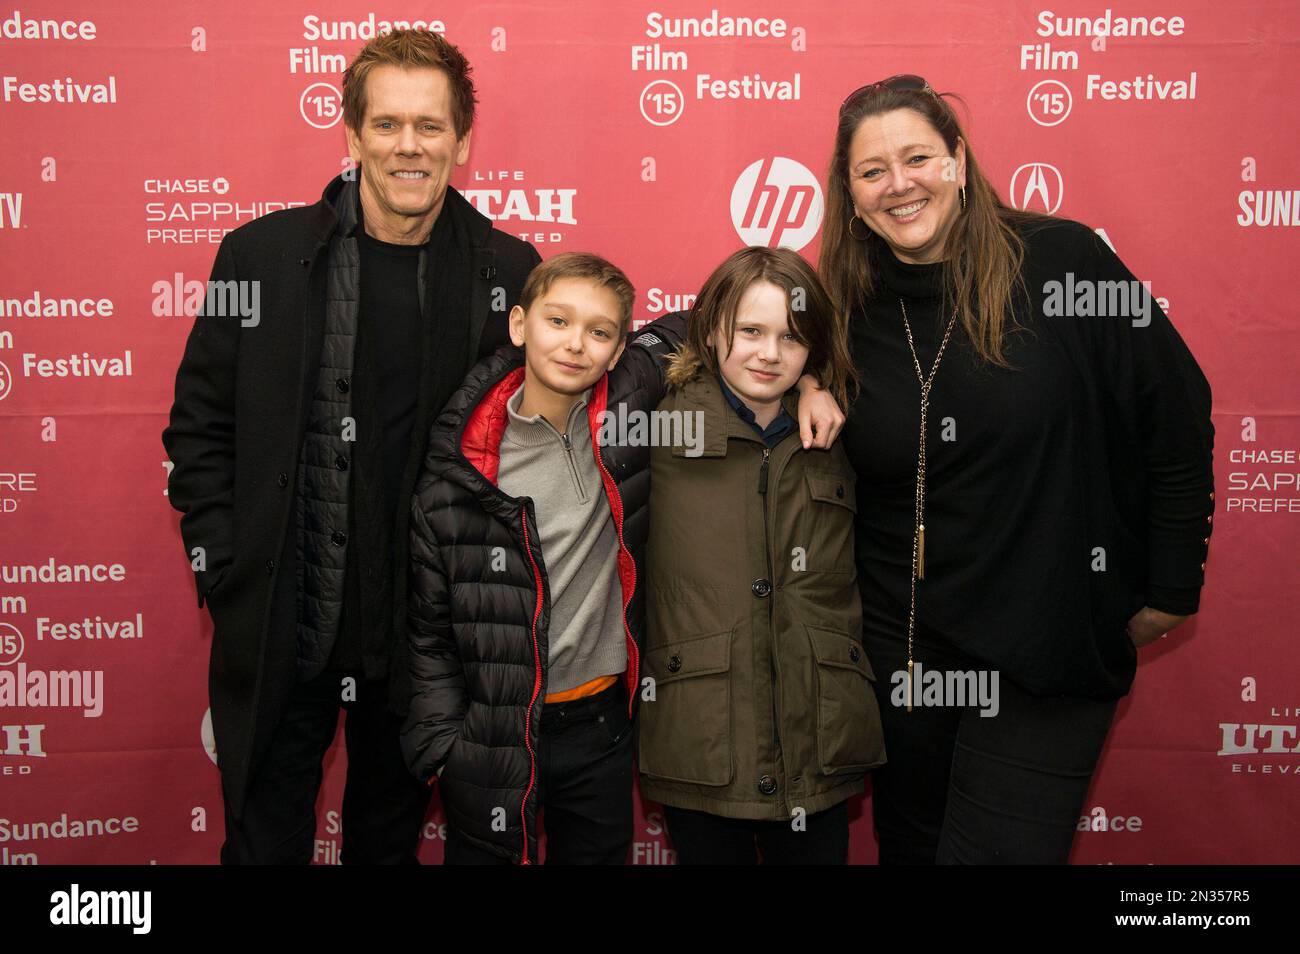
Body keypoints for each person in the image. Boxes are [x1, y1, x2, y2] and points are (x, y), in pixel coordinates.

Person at [162, 29, 541, 864]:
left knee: (388, 845)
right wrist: (224, 566)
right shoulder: (260, 258)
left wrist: (796, 378)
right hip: (282, 621)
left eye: (431, 126)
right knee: (263, 846)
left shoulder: (509, 274)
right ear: (352, 134)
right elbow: (199, 427)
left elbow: (583, 391)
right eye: (388, 124)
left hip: (422, 633)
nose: (409, 145)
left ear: (463, 140)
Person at [818, 75, 1214, 864]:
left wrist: (1171, 587)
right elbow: (725, 339)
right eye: (872, 170)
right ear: (852, 195)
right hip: (904, 658)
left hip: (1046, 643)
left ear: (959, 161)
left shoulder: (1064, 260)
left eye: (918, 157)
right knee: (914, 852)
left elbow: (1174, 414)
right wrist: (799, 376)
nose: (900, 183)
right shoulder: (842, 302)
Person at [401, 252, 843, 864]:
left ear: (618, 350)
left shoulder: (631, 408)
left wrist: (811, 378)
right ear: (519, 324)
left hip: (603, 728)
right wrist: (445, 749)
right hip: (494, 737)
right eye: (558, 321)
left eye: (600, 332)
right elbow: (428, 631)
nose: (576, 344)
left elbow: (725, 318)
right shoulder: (459, 468)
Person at [637, 246, 885, 865]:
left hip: (819, 741)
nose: (769, 354)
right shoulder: (656, 421)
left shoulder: (842, 431)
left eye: (792, 339)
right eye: (750, 331)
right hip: (703, 740)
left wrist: (816, 385)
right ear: (715, 325)